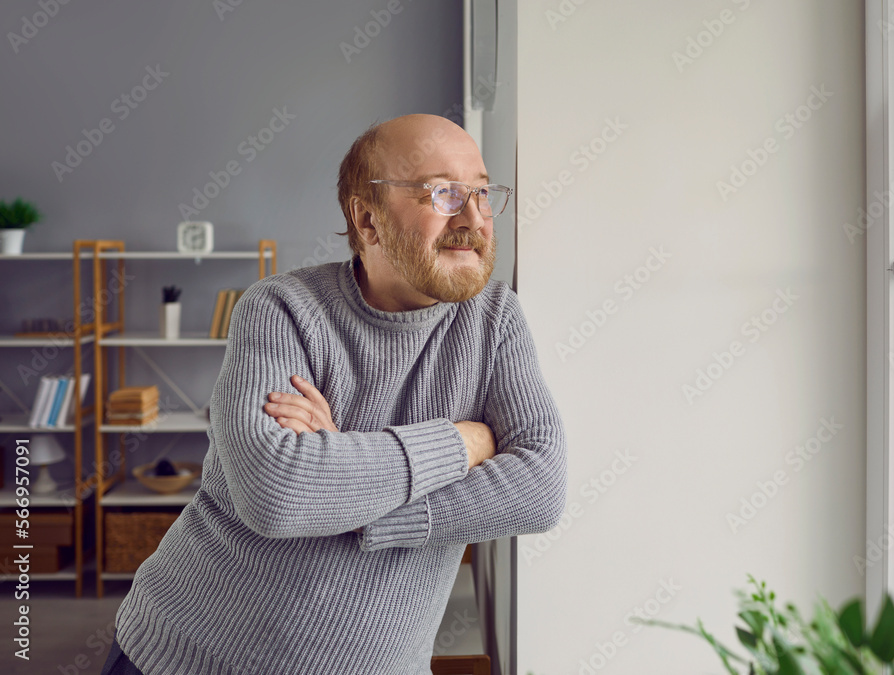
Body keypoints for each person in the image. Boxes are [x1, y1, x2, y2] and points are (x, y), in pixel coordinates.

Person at [100, 113, 568, 675]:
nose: (474, 217)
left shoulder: (496, 321)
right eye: (442, 193)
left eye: (483, 192)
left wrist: (348, 481)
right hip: (187, 657)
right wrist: (462, 443)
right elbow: (276, 492)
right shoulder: (280, 309)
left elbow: (539, 488)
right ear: (367, 219)